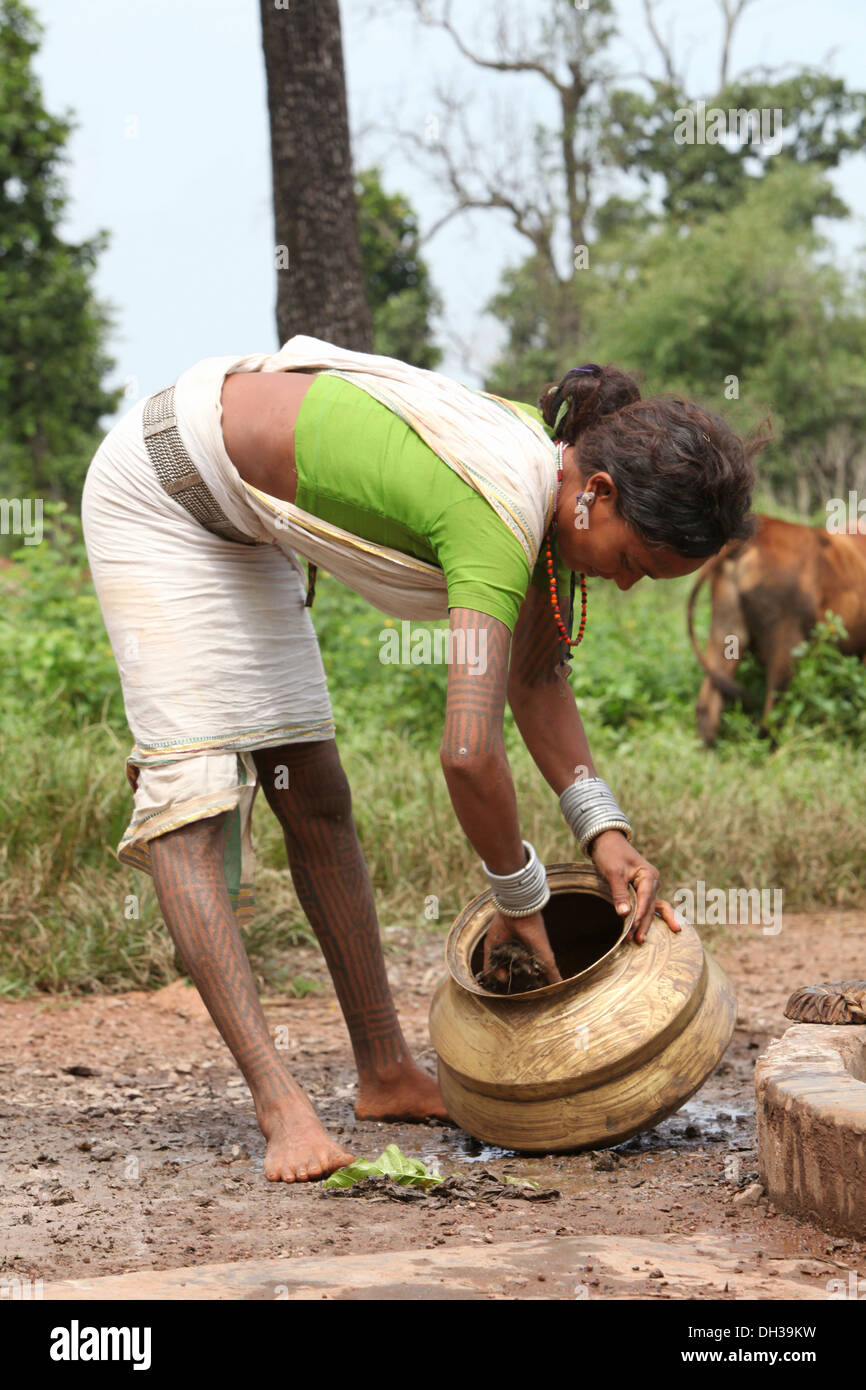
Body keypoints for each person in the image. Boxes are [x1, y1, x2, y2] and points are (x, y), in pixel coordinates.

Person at [81, 339, 757, 1183]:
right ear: (599, 493)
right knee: (194, 802)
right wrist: (520, 897)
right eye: (632, 563)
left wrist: (605, 832)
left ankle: (386, 1074)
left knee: (315, 792)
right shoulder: (503, 504)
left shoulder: (555, 486)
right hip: (163, 488)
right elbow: (469, 755)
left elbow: (538, 675)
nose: (624, 586)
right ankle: (279, 1104)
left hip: (242, 519)